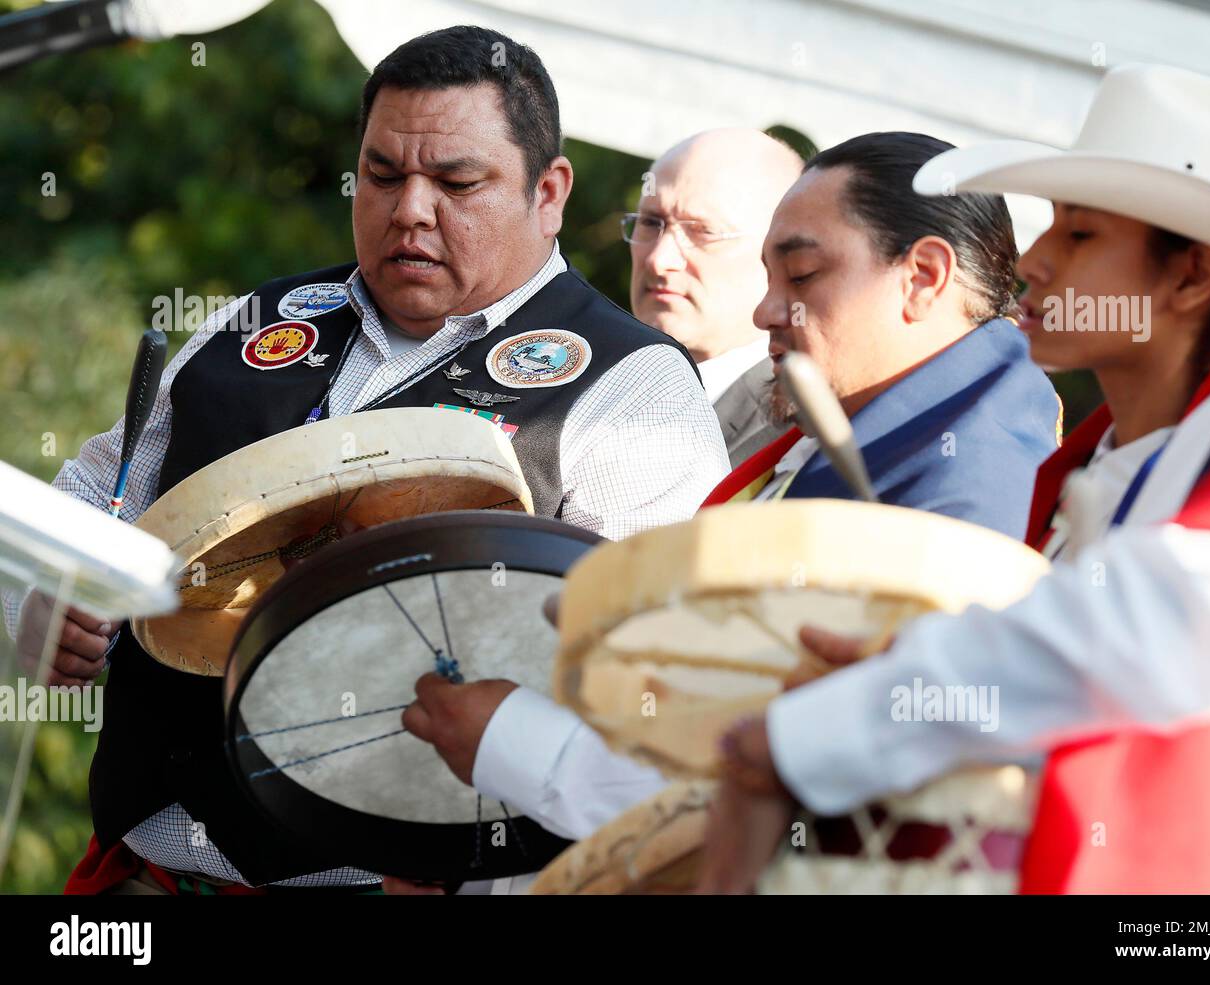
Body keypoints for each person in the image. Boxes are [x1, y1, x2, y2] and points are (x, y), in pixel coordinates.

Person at [13, 24, 730, 895]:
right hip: (145, 870)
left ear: (550, 192)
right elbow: (96, 492)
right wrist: (49, 598)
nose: (411, 209)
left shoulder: (633, 385)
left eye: (458, 181)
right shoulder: (260, 317)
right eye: (384, 175)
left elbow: (624, 686)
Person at [398, 131, 1062, 890]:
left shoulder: (969, 484)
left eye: (803, 273)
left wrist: (517, 743)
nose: (767, 309)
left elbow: (811, 779)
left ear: (923, 276)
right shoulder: (890, 436)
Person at [694, 63, 1210, 894]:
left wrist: (817, 731)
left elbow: (1158, 631)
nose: (1037, 263)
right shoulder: (1085, 471)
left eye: (1080, 236)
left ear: (1191, 276)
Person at [626, 129, 803, 466]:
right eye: (651, 222)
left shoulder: (797, 438)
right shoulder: (593, 377)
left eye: (704, 232)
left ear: (781, 251)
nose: (659, 260)